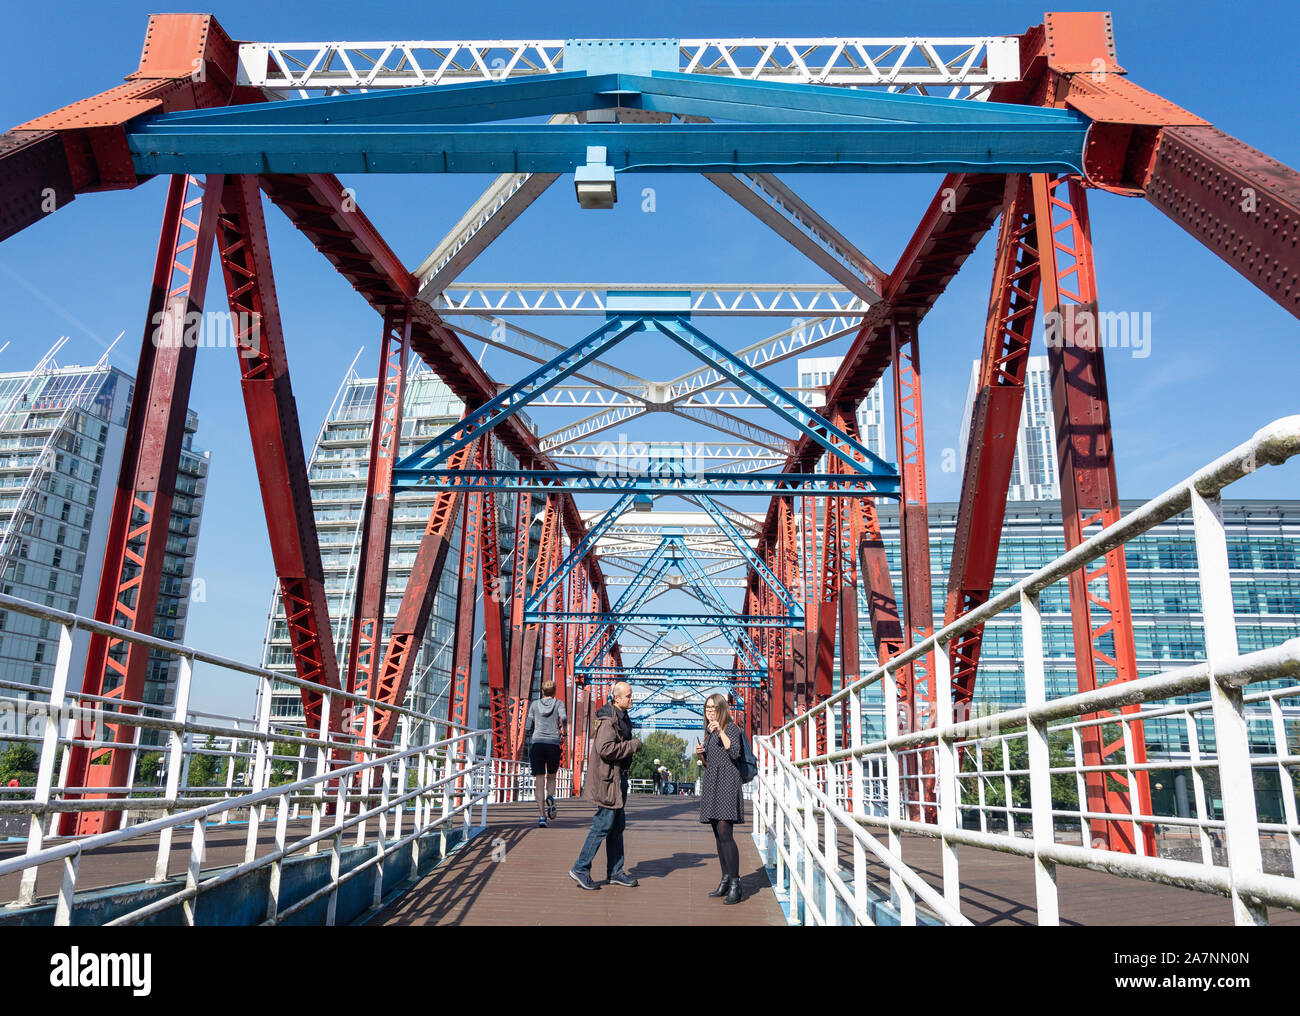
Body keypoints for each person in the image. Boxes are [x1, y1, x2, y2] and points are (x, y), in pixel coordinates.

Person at [569, 681, 641, 890]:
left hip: (617, 780)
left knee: (616, 827)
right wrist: (633, 745)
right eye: (628, 696)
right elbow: (606, 749)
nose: (632, 698)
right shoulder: (609, 720)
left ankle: (615, 872)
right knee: (602, 825)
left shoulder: (620, 716)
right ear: (616, 698)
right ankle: (580, 868)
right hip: (608, 781)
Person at [695, 693, 745, 905]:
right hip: (713, 782)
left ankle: (735, 884)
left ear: (721, 709)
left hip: (727, 782)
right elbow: (711, 761)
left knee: (725, 833)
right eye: (707, 708)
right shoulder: (708, 732)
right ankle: (725, 879)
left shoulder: (731, 728)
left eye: (713, 708)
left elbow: (734, 753)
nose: (709, 712)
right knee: (718, 834)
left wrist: (720, 730)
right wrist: (701, 754)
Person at [524, 680, 566, 828]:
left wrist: (527, 732)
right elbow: (564, 718)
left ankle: (542, 817)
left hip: (538, 744)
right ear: (554, 691)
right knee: (551, 777)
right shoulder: (559, 703)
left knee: (539, 781)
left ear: (542, 691)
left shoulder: (534, 705)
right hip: (553, 743)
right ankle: (550, 796)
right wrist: (564, 732)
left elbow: (528, 724)